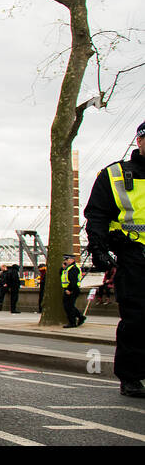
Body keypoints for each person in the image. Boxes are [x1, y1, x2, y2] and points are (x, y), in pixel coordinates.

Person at [84, 124, 145, 397]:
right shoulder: (116, 174)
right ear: (139, 140)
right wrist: (98, 248)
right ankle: (131, 377)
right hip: (134, 256)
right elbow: (96, 214)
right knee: (136, 319)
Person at [58, 253, 86, 328]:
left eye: (66, 260)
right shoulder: (68, 268)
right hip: (70, 289)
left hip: (72, 289)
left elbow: (73, 280)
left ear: (71, 260)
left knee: (68, 307)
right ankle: (80, 317)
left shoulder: (73, 268)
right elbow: (62, 275)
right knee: (69, 306)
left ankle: (72, 322)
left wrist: (69, 289)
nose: (65, 261)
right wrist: (63, 268)